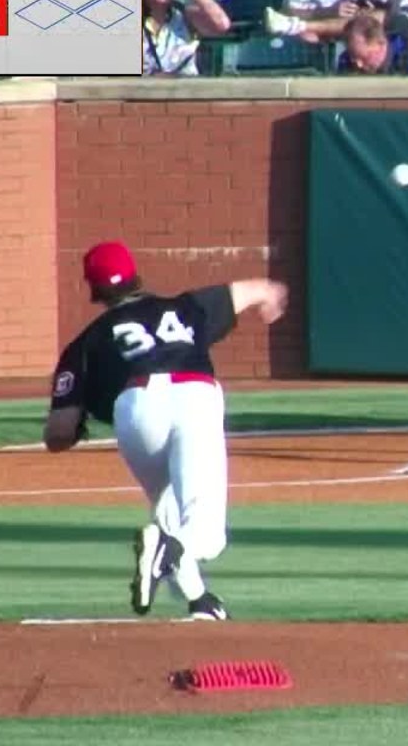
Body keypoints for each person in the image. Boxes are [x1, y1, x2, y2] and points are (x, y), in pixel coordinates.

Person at [41, 241, 289, 621]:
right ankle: (165, 552)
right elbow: (253, 290)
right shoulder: (185, 307)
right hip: (192, 396)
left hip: (135, 410)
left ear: (93, 289)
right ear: (136, 274)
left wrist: (78, 425)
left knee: (171, 514)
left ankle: (199, 601)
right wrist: (271, 295)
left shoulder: (84, 344)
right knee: (205, 534)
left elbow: (57, 433)